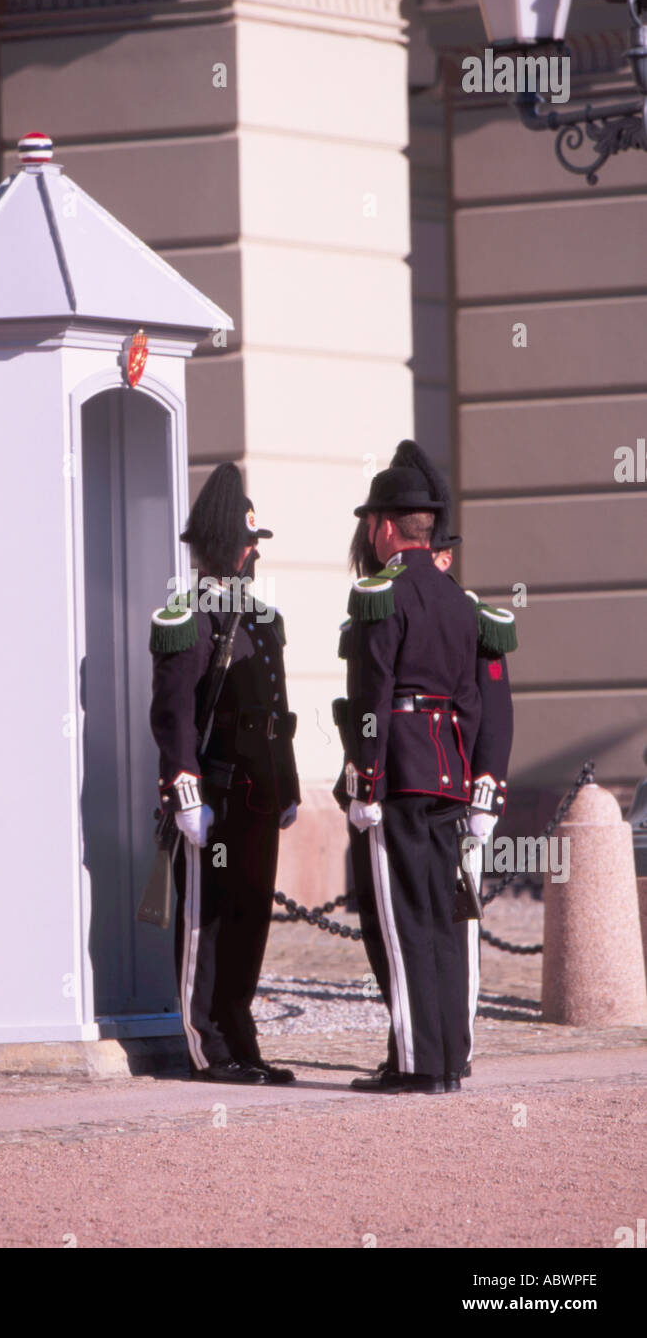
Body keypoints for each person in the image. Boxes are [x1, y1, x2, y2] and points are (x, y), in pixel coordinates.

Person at [333, 440, 482, 1094]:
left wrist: (365, 778)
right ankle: (446, 1059)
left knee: (402, 925)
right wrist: (474, 779)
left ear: (385, 527)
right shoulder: (458, 600)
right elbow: (472, 701)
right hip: (449, 772)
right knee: (441, 920)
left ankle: (415, 1064)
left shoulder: (379, 594)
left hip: (398, 775)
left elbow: (372, 699)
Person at [149, 463, 300, 1085]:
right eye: (246, 545)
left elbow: (278, 711)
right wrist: (184, 791)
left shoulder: (262, 621)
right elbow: (173, 717)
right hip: (211, 795)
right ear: (224, 549)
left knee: (249, 917)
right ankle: (206, 1044)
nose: (252, 556)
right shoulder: (188, 618)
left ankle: (240, 1034)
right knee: (205, 922)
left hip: (258, 797)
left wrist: (287, 786)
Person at [431, 527, 516, 1072]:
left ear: (445, 555)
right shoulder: (385, 606)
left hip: (462, 799)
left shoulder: (476, 619)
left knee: (459, 926)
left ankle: (455, 1043)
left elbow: (495, 714)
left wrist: (486, 793)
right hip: (410, 794)